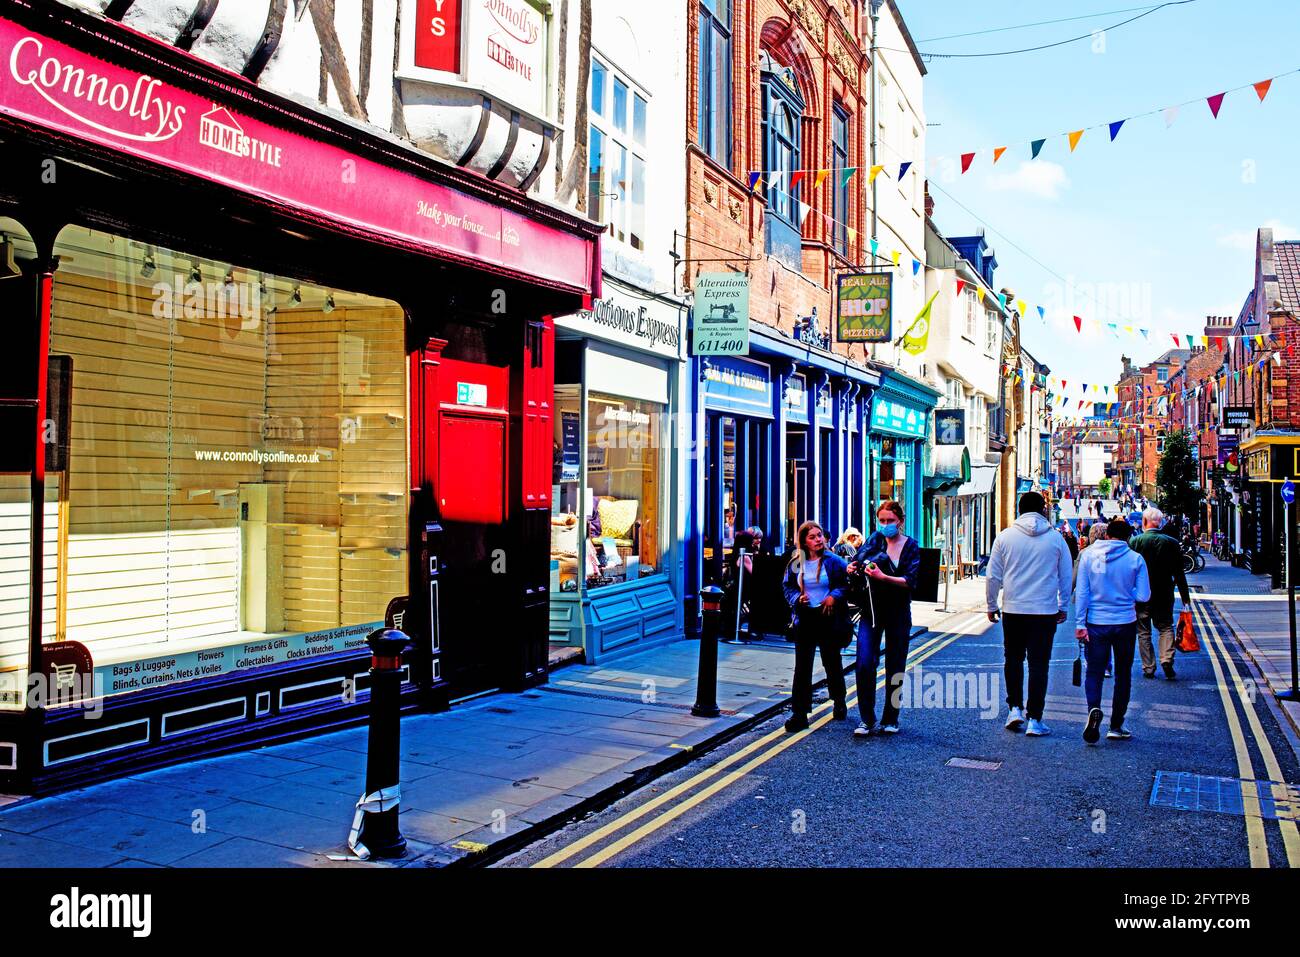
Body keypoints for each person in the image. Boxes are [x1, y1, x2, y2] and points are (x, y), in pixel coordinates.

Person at [986, 492, 1073, 737]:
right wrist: (1063, 605)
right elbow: (1066, 577)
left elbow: (993, 576)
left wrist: (992, 605)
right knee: (1039, 665)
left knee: (1013, 659)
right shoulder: (1057, 540)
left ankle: (1014, 708)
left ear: (1019, 509)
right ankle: (1035, 719)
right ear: (1043, 510)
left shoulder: (1005, 537)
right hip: (1044, 612)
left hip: (1014, 609)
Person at [847, 501, 921, 737]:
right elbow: (858, 561)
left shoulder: (910, 546)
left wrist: (883, 576)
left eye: (890, 521)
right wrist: (853, 568)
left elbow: (910, 582)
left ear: (901, 520)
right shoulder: (874, 540)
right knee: (864, 663)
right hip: (871, 610)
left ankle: (891, 718)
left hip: (898, 612)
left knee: (895, 666)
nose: (886, 525)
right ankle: (866, 720)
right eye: (882, 521)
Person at [1075, 517, 1151, 743]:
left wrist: (1080, 624)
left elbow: (1082, 593)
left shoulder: (1088, 556)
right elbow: (1144, 595)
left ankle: (1094, 708)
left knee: (1095, 672)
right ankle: (1116, 725)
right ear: (1129, 536)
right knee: (1123, 674)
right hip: (1125, 622)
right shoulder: (1135, 559)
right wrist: (1128, 595)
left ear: (1107, 535)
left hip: (1096, 622)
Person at [782, 520, 849, 733]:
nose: (818, 539)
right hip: (806, 618)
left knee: (832, 662)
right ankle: (799, 714)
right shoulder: (796, 562)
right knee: (802, 667)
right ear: (804, 541)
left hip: (827, 617)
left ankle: (839, 700)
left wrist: (833, 597)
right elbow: (788, 587)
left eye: (819, 535)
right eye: (812, 537)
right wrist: (796, 599)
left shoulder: (835, 561)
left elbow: (845, 585)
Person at [1129, 506, 1192, 680]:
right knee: (1165, 627)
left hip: (1142, 596)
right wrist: (1186, 598)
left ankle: (1148, 667)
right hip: (1164, 594)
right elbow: (1179, 573)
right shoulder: (1171, 543)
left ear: (1144, 522)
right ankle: (1166, 659)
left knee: (1143, 631)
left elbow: (1129, 572)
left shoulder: (1135, 542)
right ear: (1161, 523)